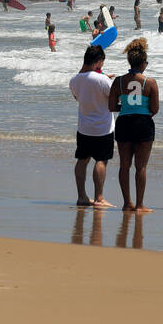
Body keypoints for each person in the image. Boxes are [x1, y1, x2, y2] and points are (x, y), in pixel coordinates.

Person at [109, 38, 160, 213]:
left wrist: (127, 108)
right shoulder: (150, 82)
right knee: (141, 167)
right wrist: (141, 109)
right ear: (143, 63)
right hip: (143, 123)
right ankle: (140, 205)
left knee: (124, 165)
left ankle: (127, 203)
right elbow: (155, 109)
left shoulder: (119, 81)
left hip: (124, 122)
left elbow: (111, 107)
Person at [69, 44, 115, 207]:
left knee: (82, 160)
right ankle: (99, 198)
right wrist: (106, 78)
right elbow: (113, 99)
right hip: (103, 128)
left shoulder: (74, 80)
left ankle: (82, 196)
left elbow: (78, 97)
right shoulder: (103, 80)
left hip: (84, 127)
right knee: (101, 160)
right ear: (98, 61)